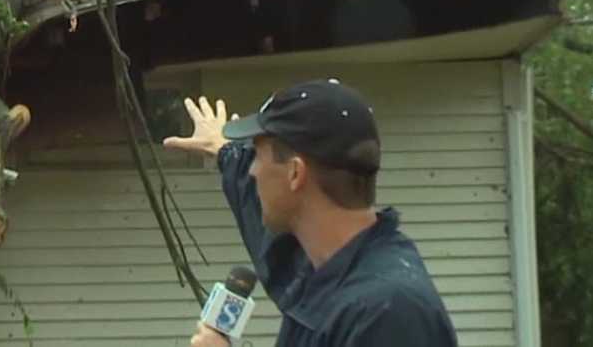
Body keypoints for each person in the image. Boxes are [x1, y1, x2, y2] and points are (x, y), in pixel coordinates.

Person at [163, 78, 458, 347]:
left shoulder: (389, 313)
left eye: (258, 156)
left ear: (294, 174)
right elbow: (265, 225)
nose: (252, 169)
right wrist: (224, 151)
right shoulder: (324, 269)